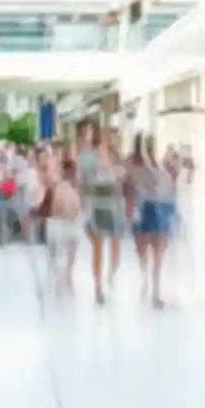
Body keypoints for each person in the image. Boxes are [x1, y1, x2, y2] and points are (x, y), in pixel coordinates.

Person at [76, 120, 125, 305]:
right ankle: (98, 285)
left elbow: (122, 179)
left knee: (115, 244)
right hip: (97, 205)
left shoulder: (116, 160)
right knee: (98, 245)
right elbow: (83, 177)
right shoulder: (90, 159)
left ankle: (111, 272)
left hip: (112, 205)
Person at [131, 134, 176, 309]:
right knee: (151, 252)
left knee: (155, 253)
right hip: (152, 210)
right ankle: (150, 284)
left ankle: (154, 289)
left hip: (155, 210)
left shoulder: (157, 168)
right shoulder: (145, 169)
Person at [46, 157, 82, 296]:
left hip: (67, 223)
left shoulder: (66, 186)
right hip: (62, 223)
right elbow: (56, 208)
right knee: (64, 254)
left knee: (68, 254)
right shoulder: (62, 187)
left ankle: (66, 278)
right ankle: (63, 280)